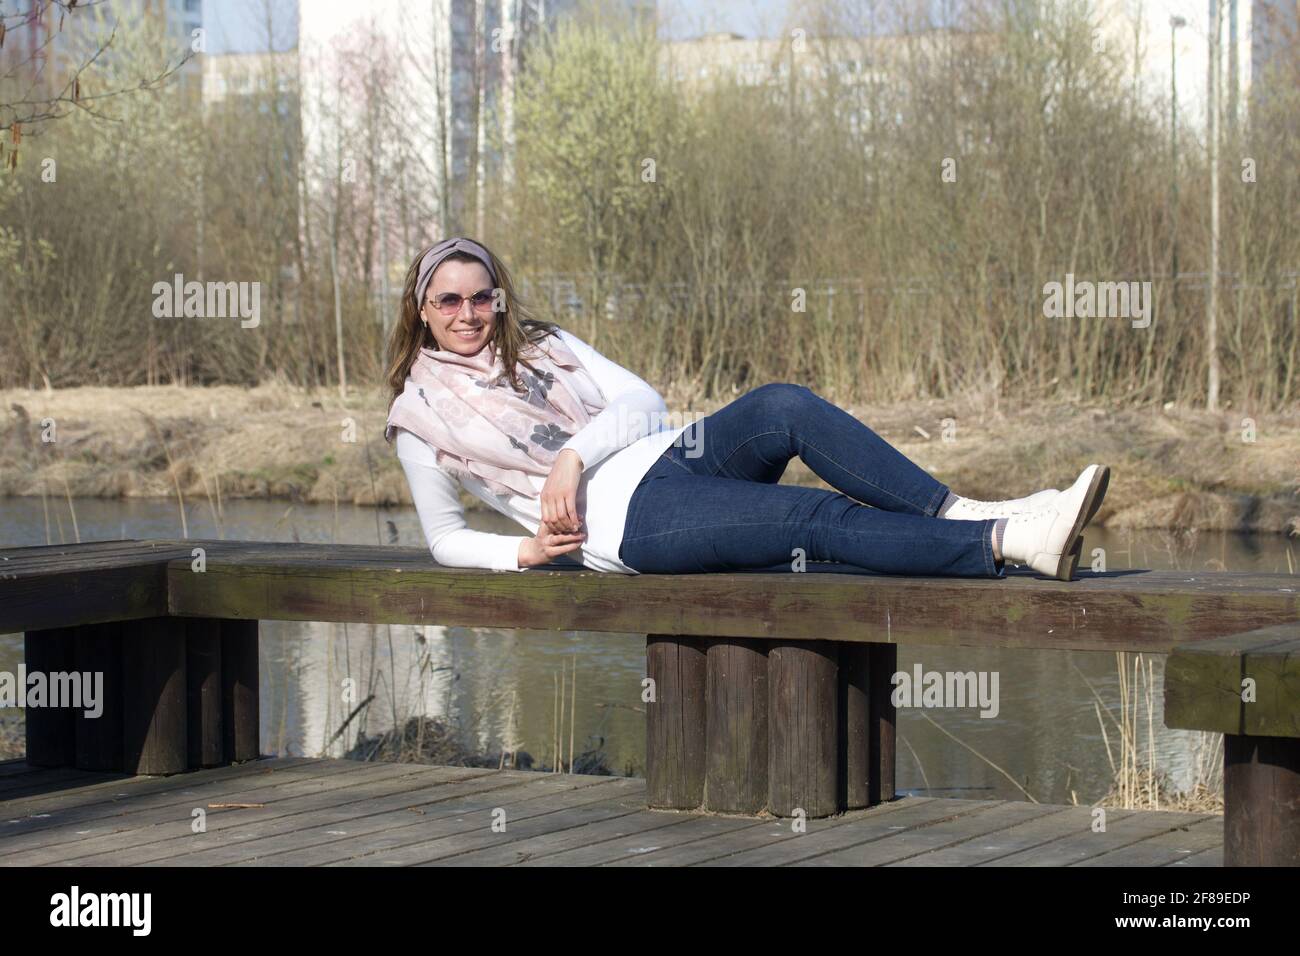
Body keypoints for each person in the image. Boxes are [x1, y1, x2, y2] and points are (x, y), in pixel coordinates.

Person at [385, 237, 1109, 581]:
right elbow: (445, 538)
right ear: (422, 310)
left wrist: (571, 456)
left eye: (482, 295)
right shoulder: (419, 415)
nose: (469, 312)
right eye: (449, 299)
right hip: (625, 524)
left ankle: (971, 513)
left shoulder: (545, 344)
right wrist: (524, 551)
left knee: (782, 406)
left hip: (667, 457)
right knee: (810, 519)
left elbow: (644, 401)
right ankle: (1007, 542)